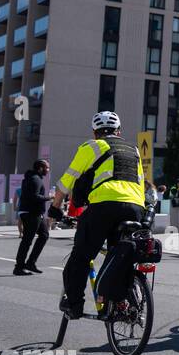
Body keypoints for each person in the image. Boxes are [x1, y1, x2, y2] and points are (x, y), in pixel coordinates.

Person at [50, 112, 147, 320]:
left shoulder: (91, 147)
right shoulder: (135, 150)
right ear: (119, 131)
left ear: (95, 133)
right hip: (136, 208)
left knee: (81, 256)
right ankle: (122, 303)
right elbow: (140, 182)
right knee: (120, 256)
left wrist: (55, 208)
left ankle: (74, 305)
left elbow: (67, 180)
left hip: (104, 206)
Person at [14, 160, 51, 276]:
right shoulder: (35, 179)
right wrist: (49, 198)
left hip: (33, 213)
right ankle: (19, 267)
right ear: (40, 168)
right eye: (47, 168)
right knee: (27, 241)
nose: (48, 170)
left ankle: (30, 263)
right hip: (31, 213)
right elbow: (33, 197)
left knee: (44, 235)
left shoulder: (33, 177)